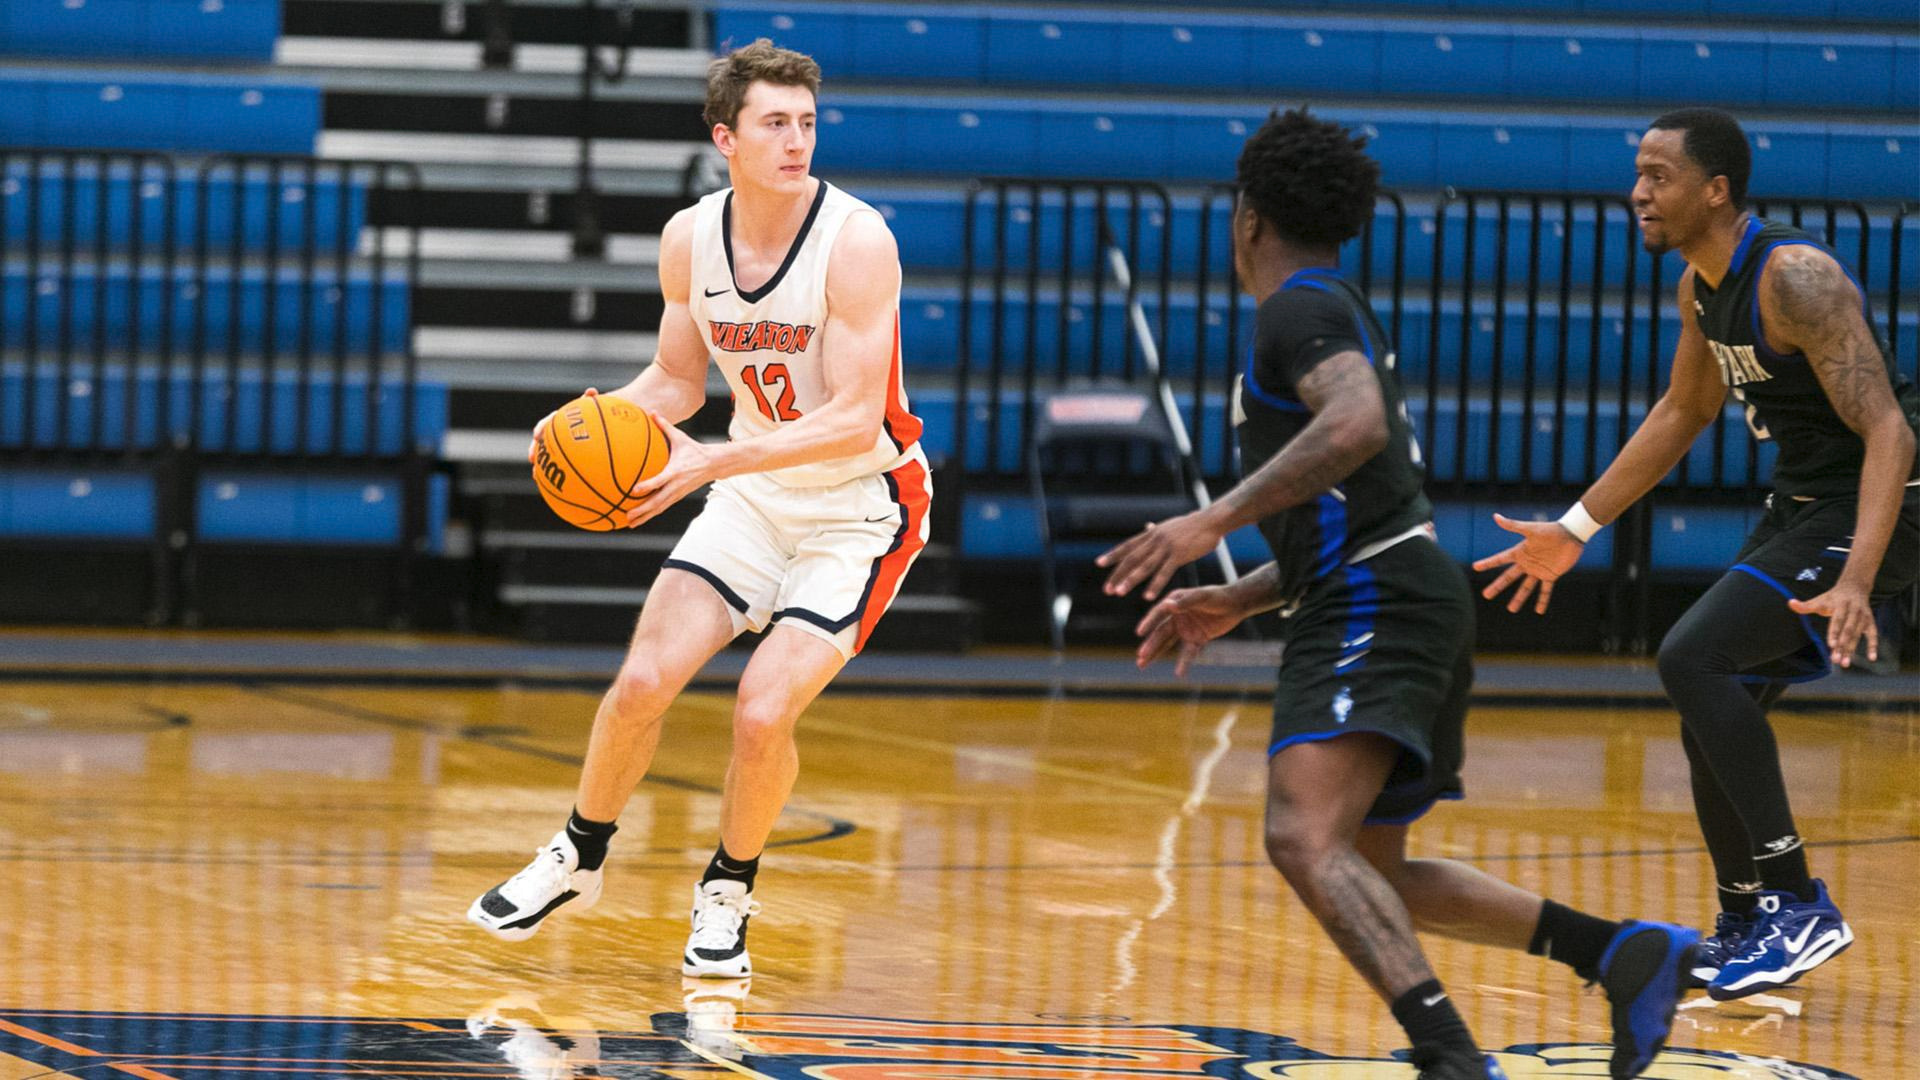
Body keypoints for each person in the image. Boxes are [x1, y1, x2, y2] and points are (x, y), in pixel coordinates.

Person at [1096, 109, 1698, 1080]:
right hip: (1388, 588)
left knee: (1302, 834)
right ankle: (1621, 953)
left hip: (1376, 603)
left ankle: (1451, 1056)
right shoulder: (1327, 301)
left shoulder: (1298, 308)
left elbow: (1357, 426)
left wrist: (1208, 525)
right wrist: (1236, 599)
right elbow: (1352, 502)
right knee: (1370, 872)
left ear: (1247, 217)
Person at [467, 38, 930, 979]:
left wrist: (717, 459)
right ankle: (577, 856)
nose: (796, 140)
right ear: (726, 135)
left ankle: (728, 891)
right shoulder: (690, 238)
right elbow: (678, 380)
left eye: (806, 122)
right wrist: (582, 424)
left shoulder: (856, 240)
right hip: (754, 493)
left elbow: (849, 420)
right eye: (774, 123)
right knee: (643, 681)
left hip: (860, 507)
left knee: (762, 713)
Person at [1474, 107, 1919, 1001]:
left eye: (1660, 175)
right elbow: (1683, 414)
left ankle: (1799, 903)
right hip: (1799, 505)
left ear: (1717, 190)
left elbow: (1891, 432)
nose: (1639, 192)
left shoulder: (1794, 277)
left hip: (1877, 505)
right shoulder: (1699, 286)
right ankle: (1747, 918)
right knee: (1708, 701)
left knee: (1691, 655)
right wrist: (1575, 528)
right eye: (1637, 174)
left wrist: (1859, 580)